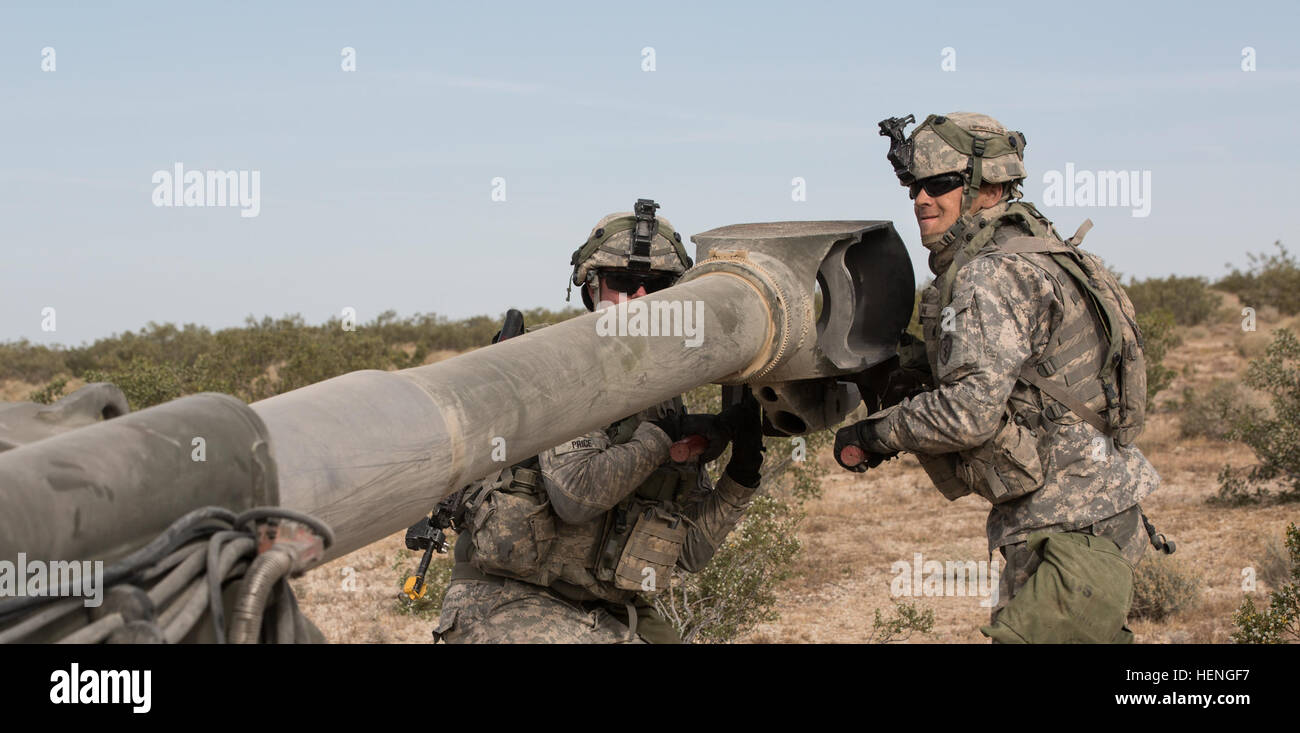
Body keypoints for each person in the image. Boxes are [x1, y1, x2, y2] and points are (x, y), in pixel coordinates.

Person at [835, 113, 1171, 643]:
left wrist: (873, 434)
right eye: (913, 185)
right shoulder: (1042, 251)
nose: (921, 199)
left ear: (988, 187)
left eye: (940, 183)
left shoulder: (989, 273)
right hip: (1103, 509)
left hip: (1063, 528)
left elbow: (968, 413)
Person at [433, 199, 765, 643]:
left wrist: (741, 475)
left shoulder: (664, 391)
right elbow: (577, 495)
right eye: (625, 281)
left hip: (605, 608)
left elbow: (687, 552)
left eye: (660, 283)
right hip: (508, 600)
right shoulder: (562, 365)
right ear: (592, 288)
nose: (642, 296)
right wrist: (660, 440)